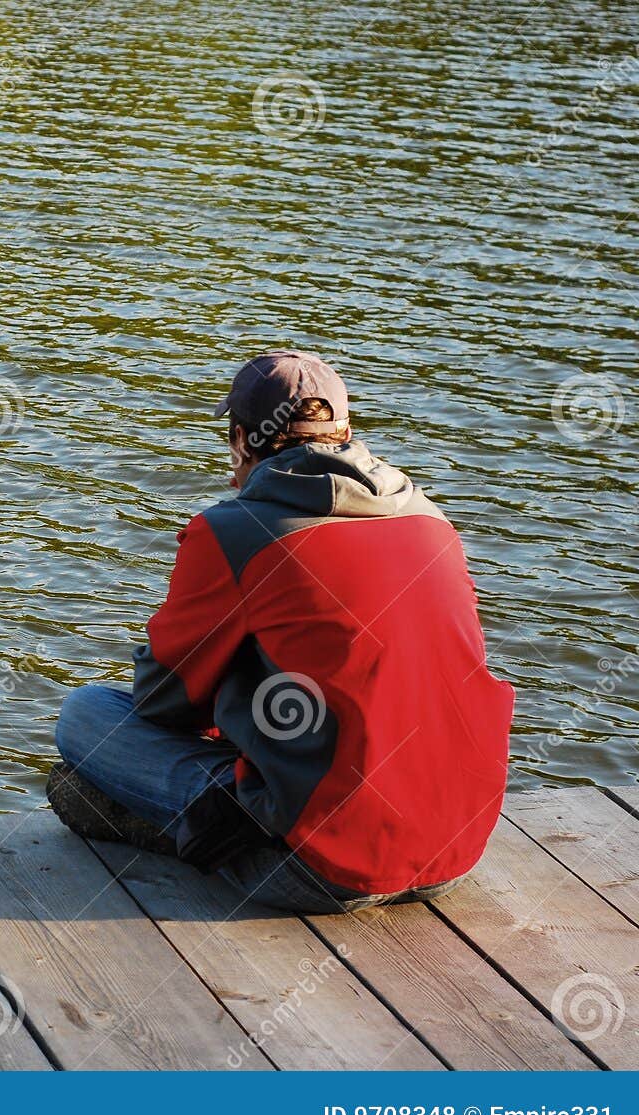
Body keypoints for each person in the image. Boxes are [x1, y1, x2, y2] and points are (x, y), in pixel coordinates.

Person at [50, 350, 514, 913]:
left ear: (241, 439)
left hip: (319, 871)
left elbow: (161, 699)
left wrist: (228, 694)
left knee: (86, 715)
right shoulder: (431, 522)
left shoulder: (234, 532)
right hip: (456, 851)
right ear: (346, 431)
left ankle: (189, 833)